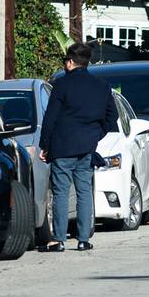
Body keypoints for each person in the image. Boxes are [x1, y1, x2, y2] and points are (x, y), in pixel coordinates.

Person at [37, 42, 116, 252]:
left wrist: (45, 145)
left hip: (62, 146)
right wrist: (96, 135)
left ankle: (59, 239)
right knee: (84, 191)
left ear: (70, 62)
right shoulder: (101, 86)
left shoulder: (61, 85)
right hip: (87, 147)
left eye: (66, 61)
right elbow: (112, 116)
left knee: (61, 192)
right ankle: (83, 239)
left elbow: (51, 117)